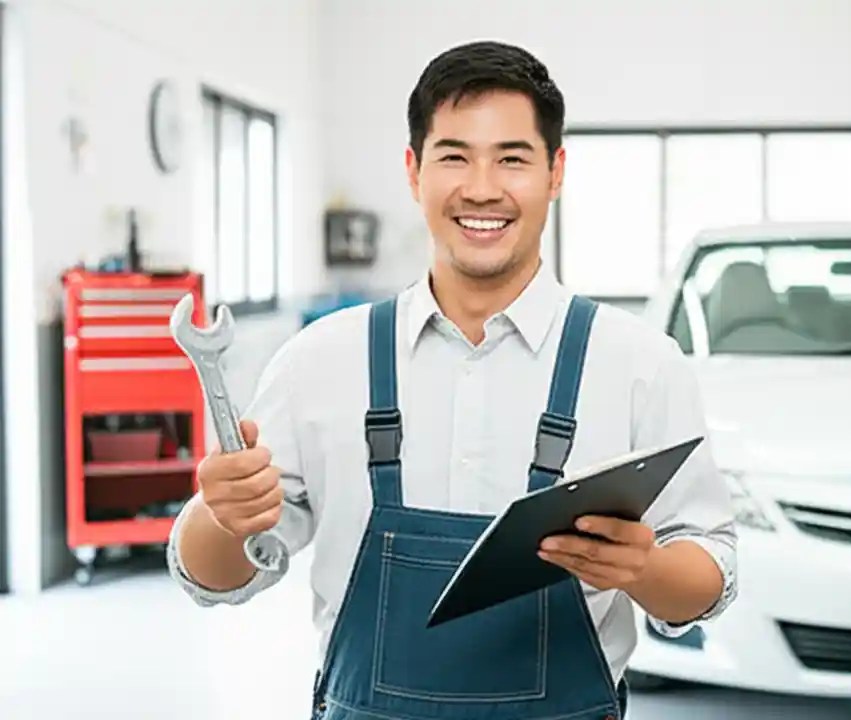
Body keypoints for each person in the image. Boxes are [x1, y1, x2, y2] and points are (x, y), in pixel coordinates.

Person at [166, 39, 738, 720]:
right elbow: (216, 579)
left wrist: (644, 570)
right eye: (454, 156)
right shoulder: (319, 362)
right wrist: (220, 517)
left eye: (513, 159)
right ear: (414, 171)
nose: (482, 188)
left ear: (556, 172)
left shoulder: (642, 365)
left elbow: (707, 579)